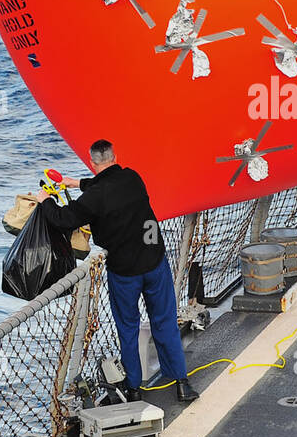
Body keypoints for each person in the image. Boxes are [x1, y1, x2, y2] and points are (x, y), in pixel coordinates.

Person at [36, 140, 199, 403]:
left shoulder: (94, 199)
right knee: (165, 322)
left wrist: (45, 201)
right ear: (115, 157)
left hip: (125, 272)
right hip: (155, 261)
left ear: (92, 163)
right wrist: (76, 183)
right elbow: (108, 188)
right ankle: (182, 384)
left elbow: (64, 219)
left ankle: (134, 388)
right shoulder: (133, 177)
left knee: (128, 328)